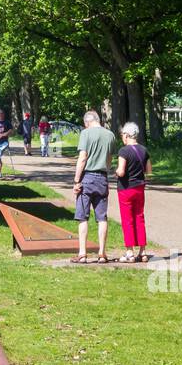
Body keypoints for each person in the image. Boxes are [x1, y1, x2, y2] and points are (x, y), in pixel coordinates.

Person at [72, 110, 116, 263]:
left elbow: (82, 158)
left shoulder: (86, 134)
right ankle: (102, 253)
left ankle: (83, 253)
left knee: (83, 217)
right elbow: (109, 159)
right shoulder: (110, 135)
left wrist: (77, 180)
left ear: (87, 122)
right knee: (102, 217)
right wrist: (105, 171)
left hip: (87, 178)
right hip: (102, 178)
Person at [115, 121, 153, 263]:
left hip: (126, 189)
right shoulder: (144, 150)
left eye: (122, 134)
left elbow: (121, 171)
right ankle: (143, 252)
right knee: (139, 218)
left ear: (126, 135)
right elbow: (149, 171)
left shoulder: (123, 151)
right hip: (140, 188)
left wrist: (116, 172)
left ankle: (130, 252)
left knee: (127, 220)